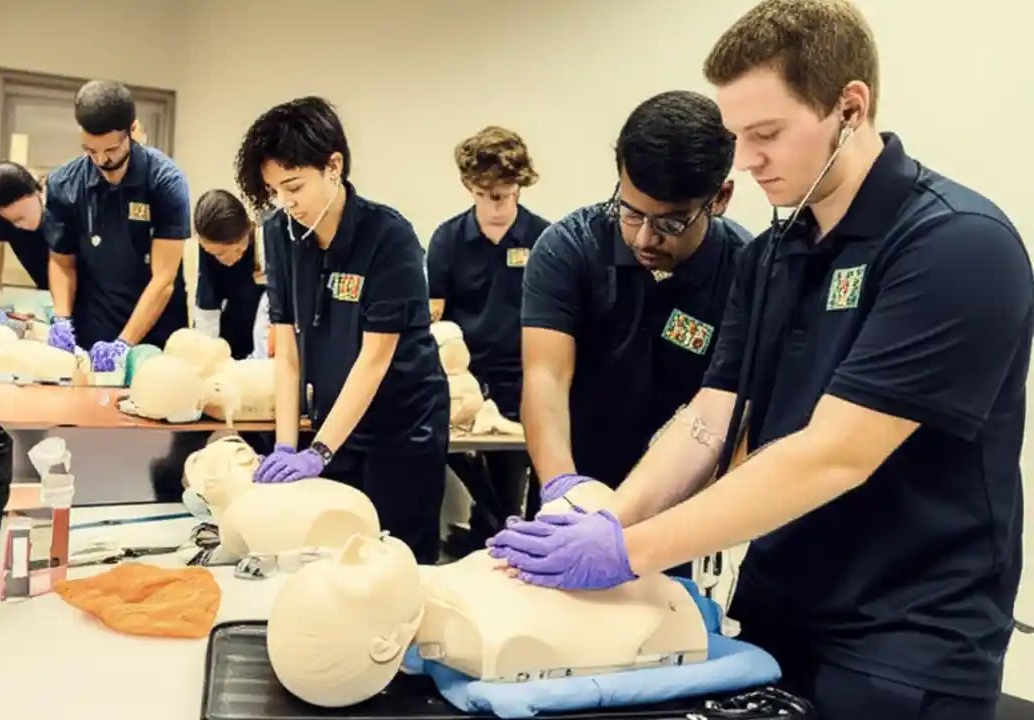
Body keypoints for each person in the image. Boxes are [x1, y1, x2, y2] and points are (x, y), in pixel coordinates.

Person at [488, 2, 1030, 718]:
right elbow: (709, 417)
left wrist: (631, 549)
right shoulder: (775, 254)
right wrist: (609, 518)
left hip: (905, 640)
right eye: (737, 136)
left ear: (850, 108)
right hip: (779, 610)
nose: (746, 160)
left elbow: (833, 456)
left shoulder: (956, 246)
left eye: (767, 133)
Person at [238, 96, 449, 564]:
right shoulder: (280, 232)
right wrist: (288, 444)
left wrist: (319, 451)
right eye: (274, 190)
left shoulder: (389, 237)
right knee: (331, 560)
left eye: (294, 186)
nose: (285, 201)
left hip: (402, 428)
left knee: (395, 563)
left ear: (334, 166)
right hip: (335, 424)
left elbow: (374, 359)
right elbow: (287, 350)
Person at [520, 90, 751, 506]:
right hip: (579, 481)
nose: (644, 238)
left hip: (681, 501)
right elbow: (546, 378)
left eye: (671, 223)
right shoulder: (569, 248)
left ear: (720, 198)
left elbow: (732, 415)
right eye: (630, 212)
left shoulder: (745, 271)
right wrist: (562, 493)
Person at [427, 126, 549, 545]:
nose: (496, 204)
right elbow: (434, 319)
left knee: (515, 477)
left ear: (519, 185)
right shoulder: (447, 240)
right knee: (460, 463)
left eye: (504, 192)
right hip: (466, 379)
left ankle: (511, 537)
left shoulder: (544, 239)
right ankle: (494, 534)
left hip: (524, 376)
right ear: (469, 188)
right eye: (484, 194)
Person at [44, 80, 191, 370]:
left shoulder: (165, 181)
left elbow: (163, 278)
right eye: (90, 150)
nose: (101, 160)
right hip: (92, 328)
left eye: (111, 149)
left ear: (132, 131)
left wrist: (125, 343)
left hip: (153, 336)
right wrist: (61, 318)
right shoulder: (64, 184)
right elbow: (62, 262)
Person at [191, 188, 269, 360]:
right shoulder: (209, 248)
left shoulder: (267, 242)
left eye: (222, 253)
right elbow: (207, 310)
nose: (219, 260)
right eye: (212, 253)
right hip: (231, 342)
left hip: (266, 339)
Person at [0, 161, 53, 304]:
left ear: (38, 192)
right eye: (13, 221)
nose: (21, 226)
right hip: (47, 288)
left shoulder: (62, 200)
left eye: (22, 217)